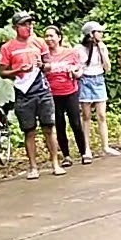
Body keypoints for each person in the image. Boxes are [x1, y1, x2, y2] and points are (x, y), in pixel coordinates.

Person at [0, 10, 65, 179]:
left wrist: (42, 65)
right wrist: (18, 70)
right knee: (29, 131)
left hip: (42, 89)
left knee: (49, 127)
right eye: (24, 24)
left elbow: (49, 64)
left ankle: (55, 163)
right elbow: (2, 72)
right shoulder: (8, 47)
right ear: (16, 27)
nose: (28, 27)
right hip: (23, 91)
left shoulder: (39, 42)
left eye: (30, 23)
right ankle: (33, 167)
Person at [76, 20, 119, 161]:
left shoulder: (102, 47)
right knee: (86, 116)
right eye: (98, 32)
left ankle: (105, 146)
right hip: (85, 79)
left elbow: (108, 68)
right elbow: (78, 67)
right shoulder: (79, 49)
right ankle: (86, 148)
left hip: (99, 79)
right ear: (91, 33)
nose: (101, 34)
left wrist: (101, 50)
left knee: (102, 115)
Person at [42, 25, 85, 166]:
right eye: (46, 36)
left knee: (76, 123)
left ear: (59, 37)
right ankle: (66, 156)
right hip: (52, 94)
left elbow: (79, 71)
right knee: (59, 125)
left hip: (70, 91)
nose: (49, 39)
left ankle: (84, 152)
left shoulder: (70, 52)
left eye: (51, 36)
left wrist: (75, 74)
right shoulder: (44, 56)